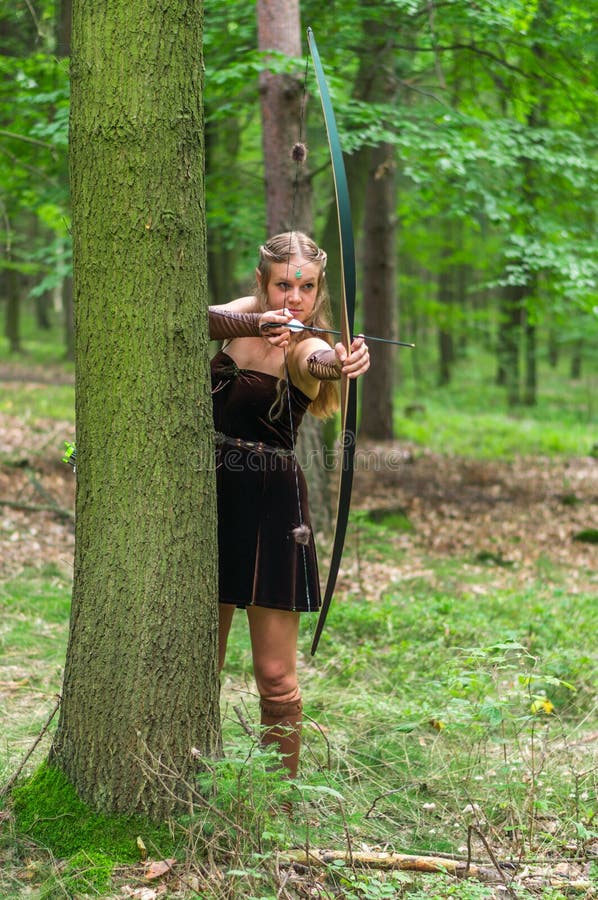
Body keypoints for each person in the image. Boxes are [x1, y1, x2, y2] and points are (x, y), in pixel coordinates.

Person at [208, 232, 370, 781]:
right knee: (193, 662)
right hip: (205, 502)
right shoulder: (243, 315)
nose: (293, 298)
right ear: (261, 281)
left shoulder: (304, 343)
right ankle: (190, 782)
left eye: (306, 287)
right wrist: (256, 322)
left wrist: (340, 360)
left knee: (275, 675)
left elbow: (318, 359)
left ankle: (278, 802)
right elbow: (193, 316)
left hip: (270, 505)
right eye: (283, 284)